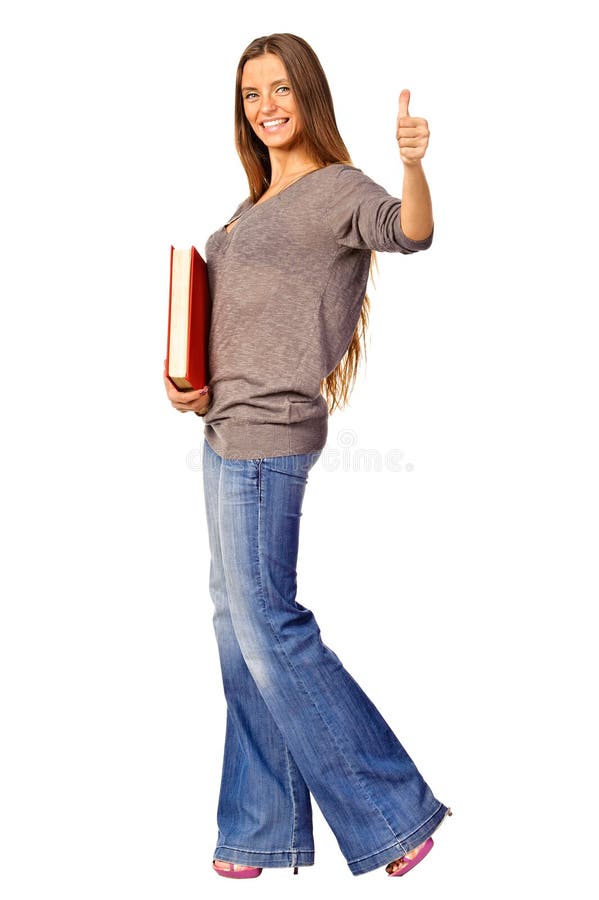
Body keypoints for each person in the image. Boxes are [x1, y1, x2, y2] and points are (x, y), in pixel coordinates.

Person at [163, 32, 451, 879]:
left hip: (271, 434)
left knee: (270, 627)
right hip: (221, 432)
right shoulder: (245, 212)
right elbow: (228, 326)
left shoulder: (337, 191)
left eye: (280, 88)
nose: (266, 106)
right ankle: (259, 826)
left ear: (308, 97)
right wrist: (186, 384)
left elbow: (411, 232)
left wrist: (413, 166)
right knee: (236, 628)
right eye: (251, 93)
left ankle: (394, 812)